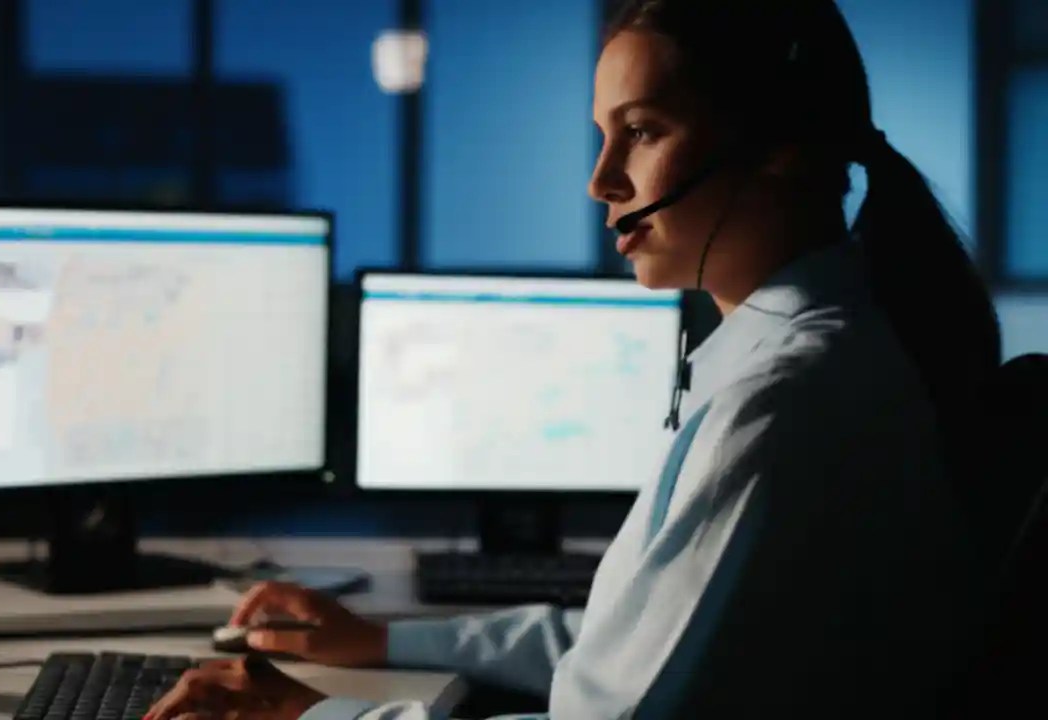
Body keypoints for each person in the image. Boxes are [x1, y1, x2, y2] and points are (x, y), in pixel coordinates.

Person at [146, 0, 1002, 717]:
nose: (600, 179)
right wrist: (383, 640)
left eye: (642, 131)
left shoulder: (783, 400)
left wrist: (313, 713)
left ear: (778, 146)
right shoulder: (816, 350)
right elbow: (619, 646)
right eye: (603, 135)